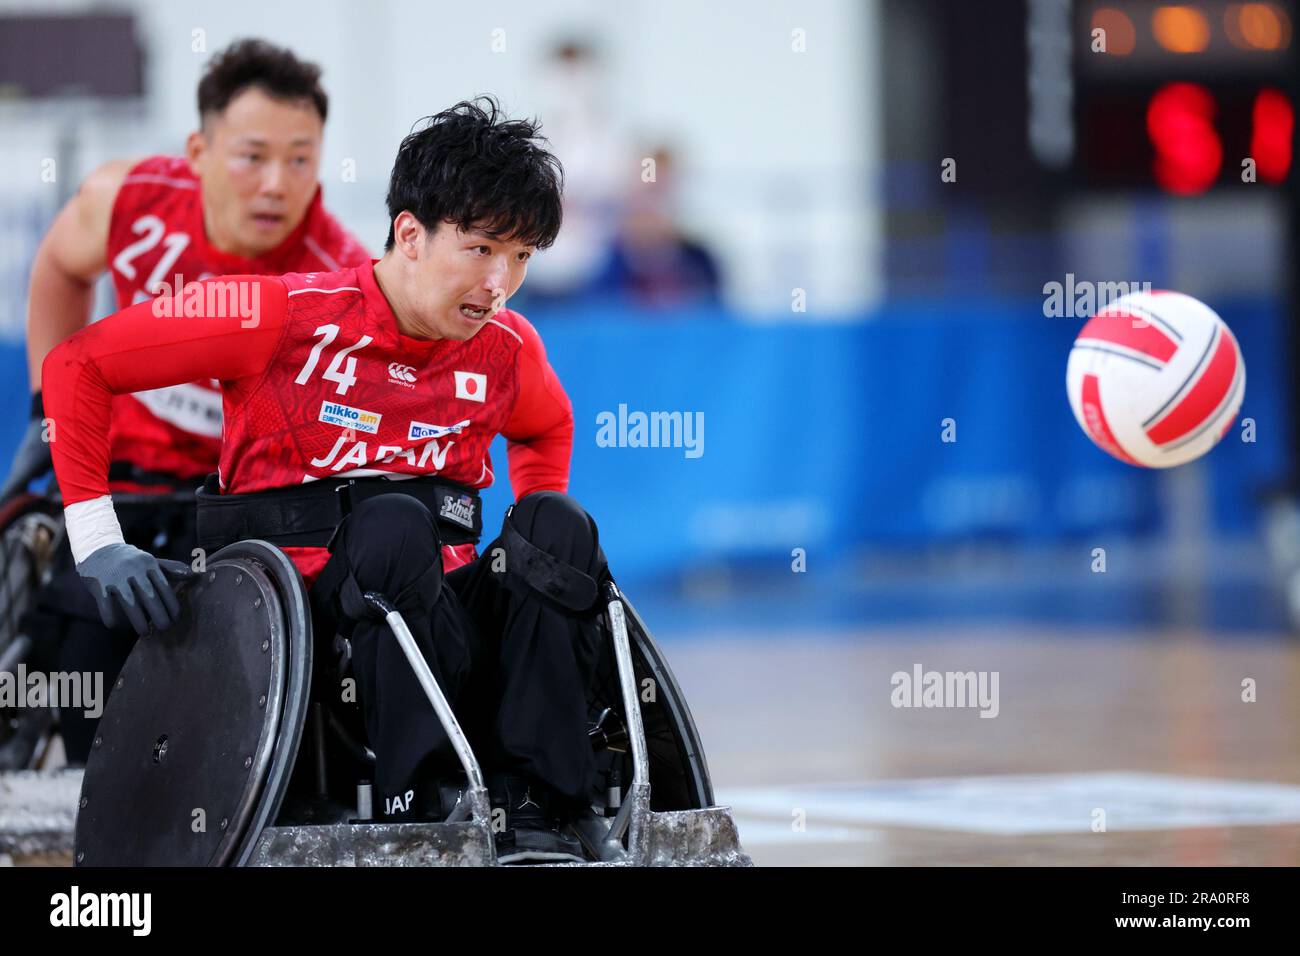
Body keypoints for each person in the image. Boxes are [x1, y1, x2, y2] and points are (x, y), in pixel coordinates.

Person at [43, 97, 613, 864]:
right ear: (410, 234)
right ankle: (425, 800)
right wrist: (98, 541)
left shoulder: (508, 346)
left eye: (521, 258)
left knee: (557, 524)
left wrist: (527, 540)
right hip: (306, 645)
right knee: (392, 524)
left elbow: (548, 425)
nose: (500, 283)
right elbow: (79, 363)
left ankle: (537, 804)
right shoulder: (275, 315)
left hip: (442, 631)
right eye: (481, 250)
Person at [1, 38, 369, 765]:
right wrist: (49, 401)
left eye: (301, 159)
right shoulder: (127, 200)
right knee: (73, 635)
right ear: (198, 151)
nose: (275, 184)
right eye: (252, 155)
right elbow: (58, 268)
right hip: (126, 473)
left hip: (235, 497)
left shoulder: (343, 275)